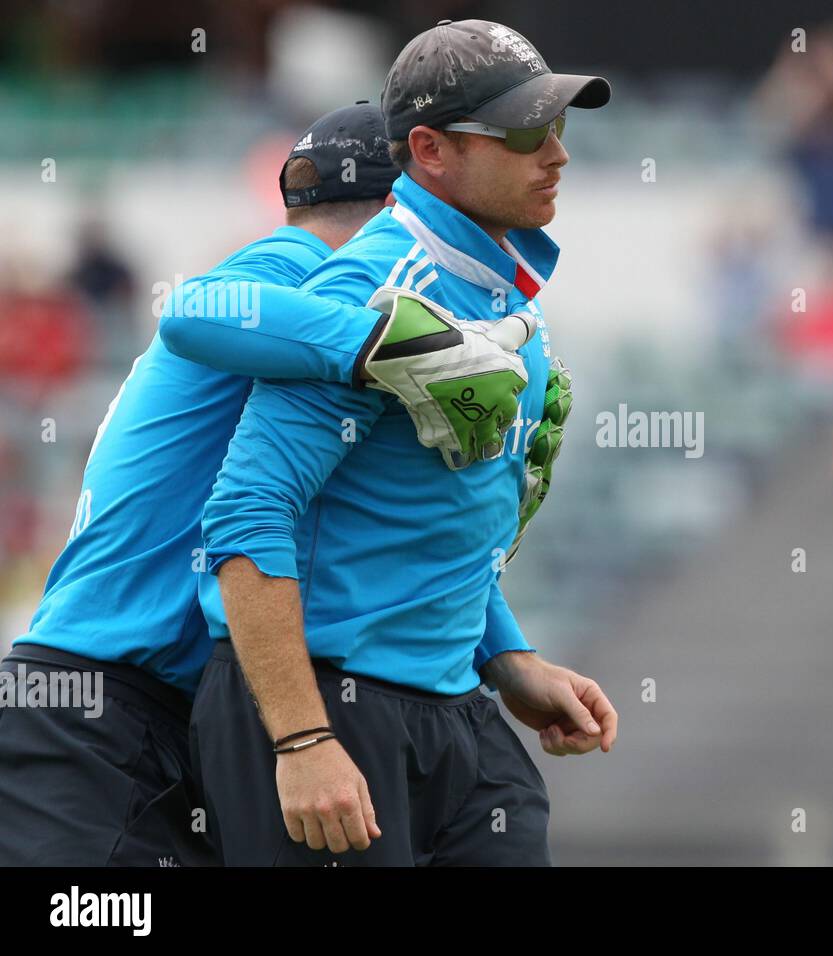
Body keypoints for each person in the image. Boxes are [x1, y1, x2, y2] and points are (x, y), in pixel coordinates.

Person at [0, 101, 521, 865]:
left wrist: (503, 649)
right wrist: (387, 342)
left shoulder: (301, 292)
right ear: (397, 207)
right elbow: (192, 308)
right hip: (97, 709)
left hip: (148, 710)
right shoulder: (303, 269)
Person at [189, 19, 618, 866]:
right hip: (329, 706)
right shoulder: (375, 288)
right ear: (429, 149)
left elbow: (438, 511)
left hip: (455, 705)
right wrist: (303, 741)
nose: (557, 154)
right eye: (528, 131)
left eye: (561, 127)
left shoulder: (492, 285)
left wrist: (507, 655)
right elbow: (245, 515)